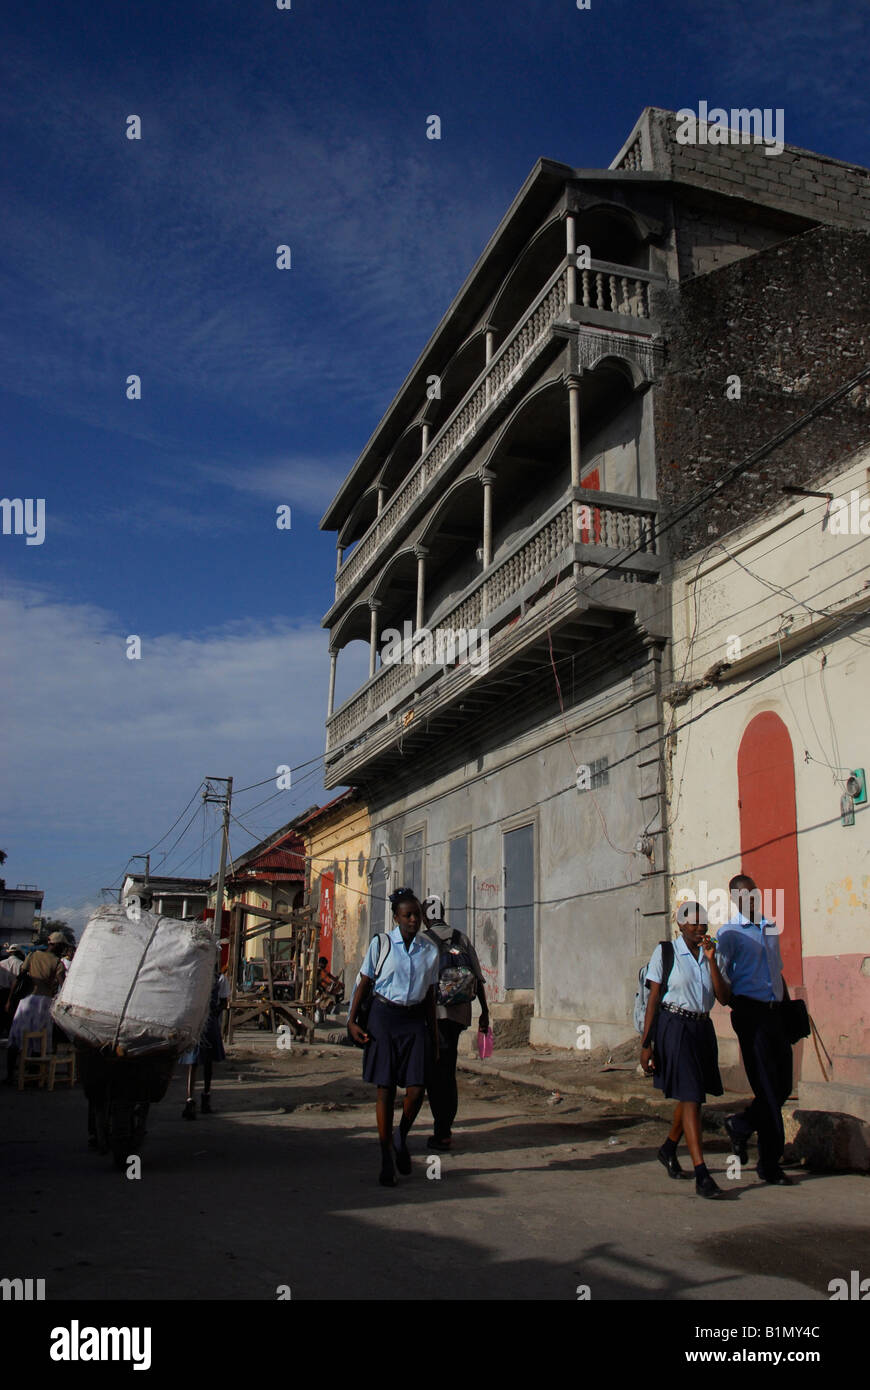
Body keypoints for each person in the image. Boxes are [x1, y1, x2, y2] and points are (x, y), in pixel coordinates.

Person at [347, 888, 440, 1186]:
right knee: (385, 1088)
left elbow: (430, 995)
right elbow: (365, 983)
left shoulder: (430, 950)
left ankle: (401, 1135)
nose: (414, 920)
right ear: (396, 917)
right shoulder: (382, 944)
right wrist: (351, 1021)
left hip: (414, 1020)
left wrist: (434, 1037)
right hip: (383, 1018)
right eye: (407, 915)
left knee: (417, 1089)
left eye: (417, 914)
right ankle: (386, 1154)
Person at [640, 902, 730, 1198]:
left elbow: (723, 997)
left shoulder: (711, 953)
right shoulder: (666, 952)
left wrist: (712, 960)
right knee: (691, 1095)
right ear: (680, 926)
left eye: (702, 922)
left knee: (694, 1096)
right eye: (692, 923)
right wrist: (646, 1044)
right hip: (674, 1026)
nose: (699, 927)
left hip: (702, 1028)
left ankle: (668, 1148)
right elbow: (653, 999)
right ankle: (702, 1173)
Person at [716, 873, 795, 1186]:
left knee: (784, 1086)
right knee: (766, 1087)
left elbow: (776, 971)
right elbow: (720, 975)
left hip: (776, 1013)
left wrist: (787, 1006)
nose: (752, 900)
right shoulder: (729, 934)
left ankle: (742, 1124)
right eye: (745, 896)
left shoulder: (770, 926)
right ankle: (769, 1164)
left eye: (755, 894)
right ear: (735, 899)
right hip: (750, 1014)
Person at [422, 894, 489, 1151]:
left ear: (427, 916)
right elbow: (478, 978)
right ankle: (445, 1129)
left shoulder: (423, 940)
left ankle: (442, 1131)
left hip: (434, 1015)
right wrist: (484, 1013)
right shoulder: (462, 938)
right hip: (459, 1014)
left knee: (434, 1073)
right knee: (448, 1071)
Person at [4, 933, 67, 1084]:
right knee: (40, 1039)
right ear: (58, 946)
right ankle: (34, 1074)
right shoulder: (57, 962)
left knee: (16, 1037)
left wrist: (9, 1000)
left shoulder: (32, 956)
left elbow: (20, 978)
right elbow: (62, 984)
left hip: (26, 1001)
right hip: (43, 1004)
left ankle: (10, 1075)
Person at [180, 967, 229, 1118]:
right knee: (193, 1061)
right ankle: (190, 1101)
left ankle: (205, 1098)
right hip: (196, 1021)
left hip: (209, 1021)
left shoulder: (219, 979)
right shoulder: (195, 975)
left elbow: (224, 1002)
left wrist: (213, 1011)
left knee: (207, 1062)